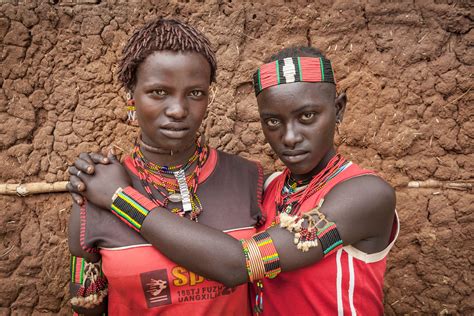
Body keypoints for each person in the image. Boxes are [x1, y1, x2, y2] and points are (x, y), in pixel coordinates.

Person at [70, 46, 399, 315]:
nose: (290, 137)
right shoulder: (265, 190)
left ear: (338, 110)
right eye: (273, 121)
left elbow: (240, 265)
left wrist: (119, 197)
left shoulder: (366, 195)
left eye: (308, 116)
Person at [67, 18, 265, 315]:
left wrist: (120, 198)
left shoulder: (250, 180)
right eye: (159, 92)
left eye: (195, 93)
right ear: (131, 96)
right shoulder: (92, 192)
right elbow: (87, 308)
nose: (178, 110)